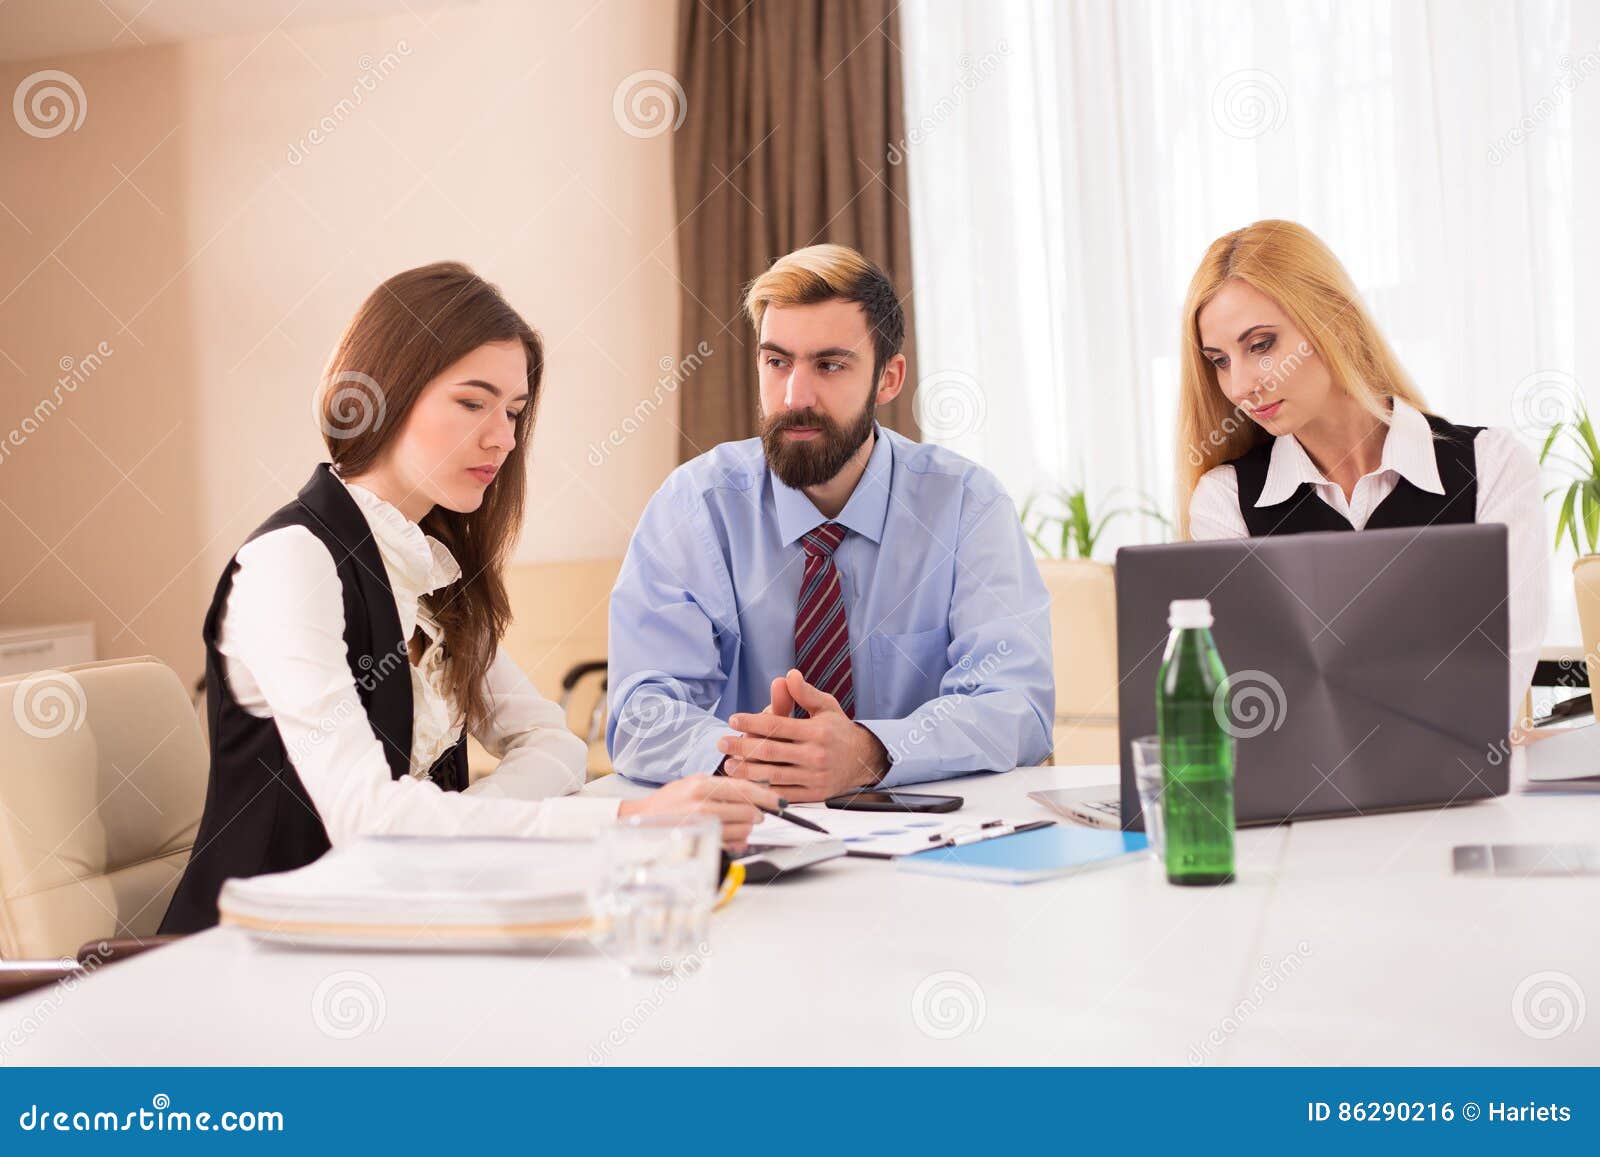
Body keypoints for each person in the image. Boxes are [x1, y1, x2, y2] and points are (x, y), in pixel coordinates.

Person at [162, 262, 776, 933]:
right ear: (387, 389)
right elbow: (368, 821)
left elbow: (552, 741)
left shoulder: (431, 569)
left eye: (514, 412)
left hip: (399, 927)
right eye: (472, 402)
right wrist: (615, 817)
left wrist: (468, 828)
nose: (503, 437)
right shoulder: (293, 561)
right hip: (255, 957)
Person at [607, 243, 1054, 800]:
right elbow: (640, 712)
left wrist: (871, 751)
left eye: (830, 365)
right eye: (777, 362)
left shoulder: (967, 505)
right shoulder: (694, 505)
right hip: (750, 831)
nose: (795, 396)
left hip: (927, 843)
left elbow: (1017, 705)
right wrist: (755, 762)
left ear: (888, 379)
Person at [1177, 219, 1547, 719]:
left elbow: (1494, 690)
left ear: (1335, 321)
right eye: (1219, 361)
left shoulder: (1494, 467)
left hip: (1460, 791)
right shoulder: (1225, 501)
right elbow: (1250, 705)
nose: (1240, 384)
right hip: (1302, 795)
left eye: (1261, 345)